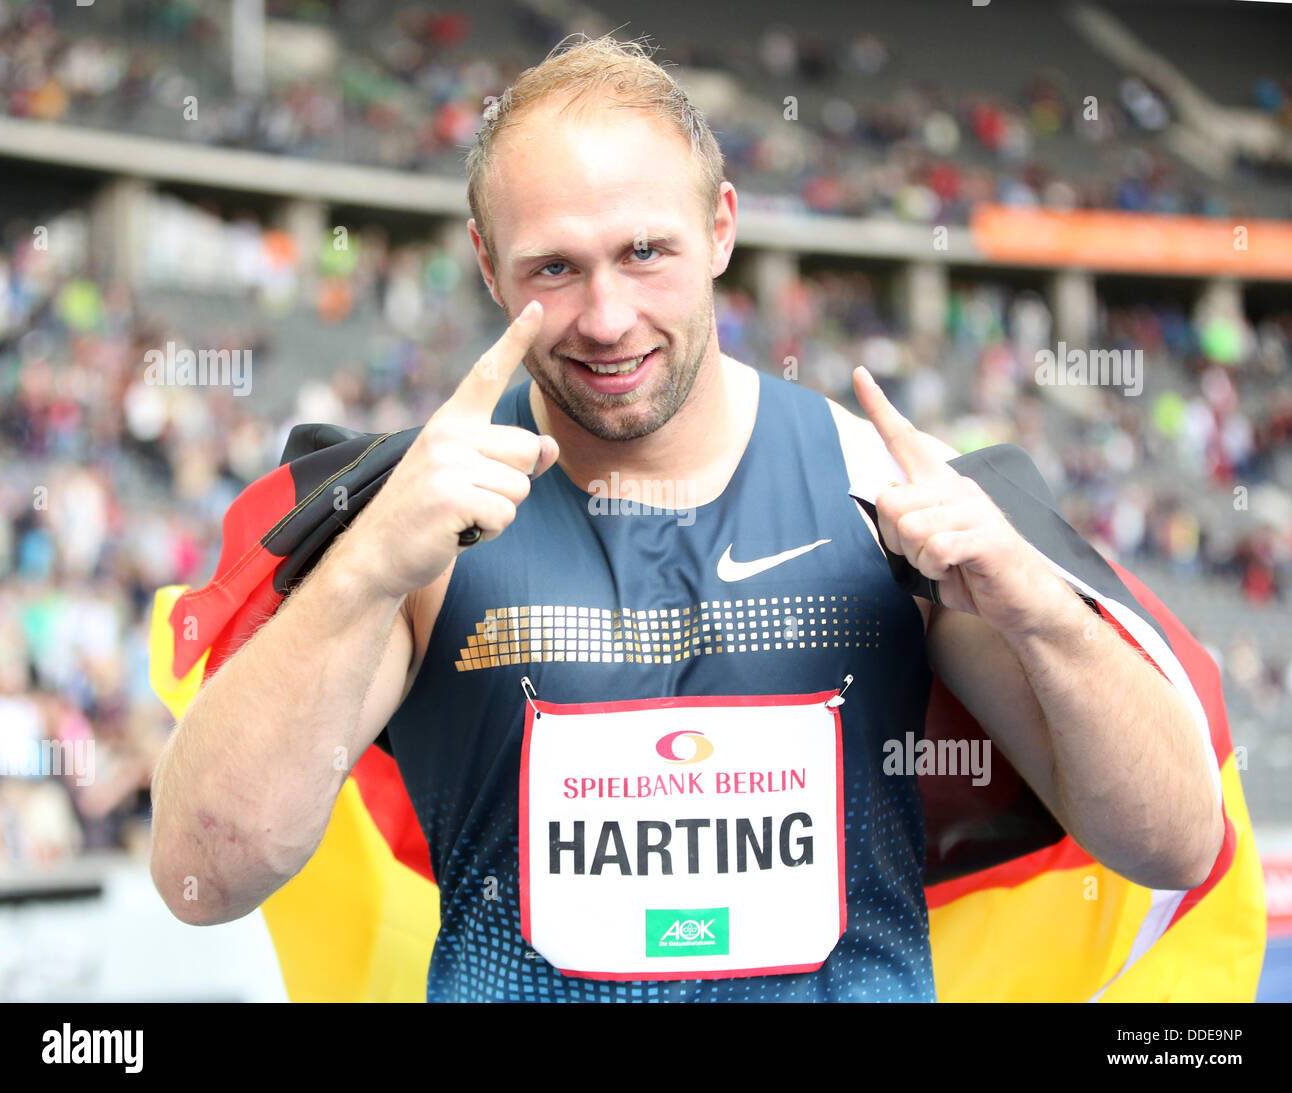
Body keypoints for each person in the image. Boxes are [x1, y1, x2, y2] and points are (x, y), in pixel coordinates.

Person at [149, 36, 1222, 1001]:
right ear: (486, 264)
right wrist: (361, 571)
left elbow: (1175, 841)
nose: (607, 319)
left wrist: (1044, 614)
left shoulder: (893, 491)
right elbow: (205, 873)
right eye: (554, 269)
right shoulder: (420, 528)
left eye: (644, 253)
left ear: (720, 228)